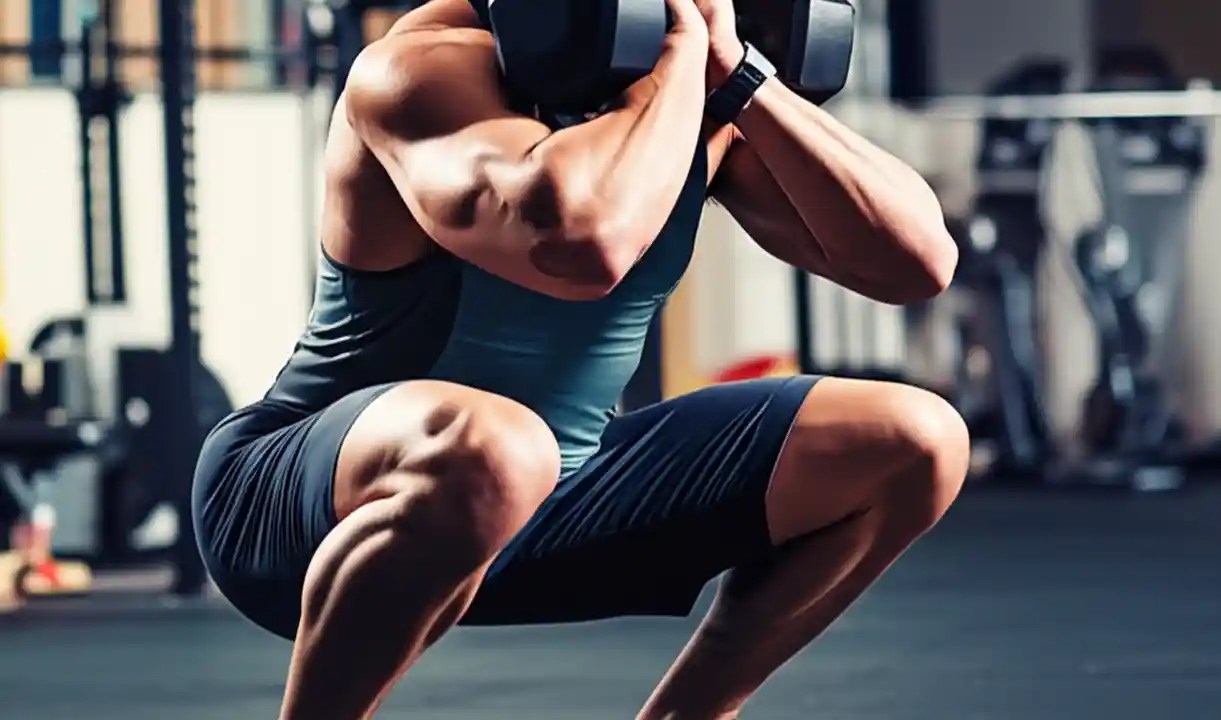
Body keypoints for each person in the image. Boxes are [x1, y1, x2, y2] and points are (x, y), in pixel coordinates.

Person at [191, 0, 970, 717]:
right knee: (498, 451)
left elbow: (916, 264)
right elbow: (579, 245)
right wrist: (683, 53)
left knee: (917, 440)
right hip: (295, 507)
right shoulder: (420, 72)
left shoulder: (698, 100)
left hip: (553, 488)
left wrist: (740, 80)